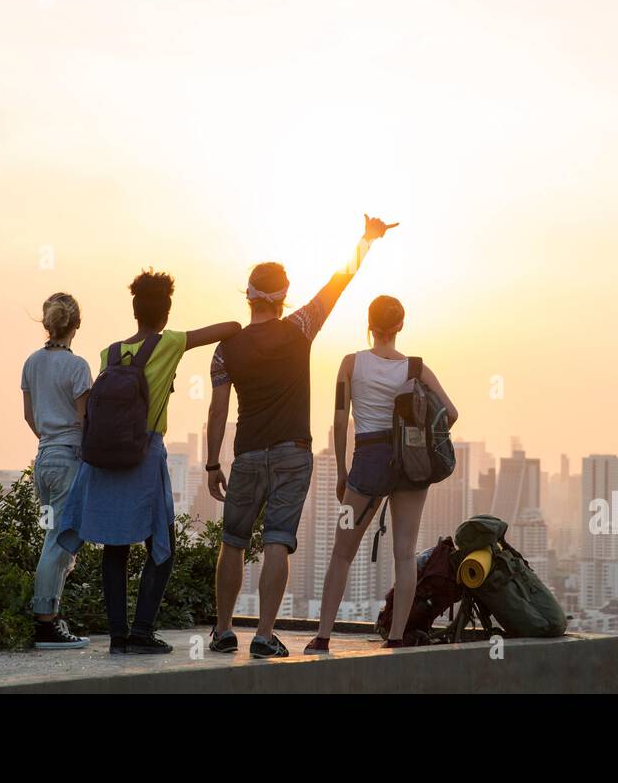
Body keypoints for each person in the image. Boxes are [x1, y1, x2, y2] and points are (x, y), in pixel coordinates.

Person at [207, 215, 397, 658]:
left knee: (232, 541)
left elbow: (217, 410)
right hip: (293, 452)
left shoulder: (226, 349)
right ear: (283, 297)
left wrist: (214, 463)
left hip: (247, 454)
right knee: (278, 541)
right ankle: (264, 636)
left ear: (248, 296)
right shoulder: (301, 326)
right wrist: (367, 239)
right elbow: (340, 281)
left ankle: (221, 630)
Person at [58, 271, 239, 654]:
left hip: (105, 460)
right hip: (144, 454)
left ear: (135, 311)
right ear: (166, 313)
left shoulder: (110, 352)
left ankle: (118, 637)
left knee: (115, 547)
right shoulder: (169, 342)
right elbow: (232, 326)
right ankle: (141, 632)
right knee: (163, 545)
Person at [304, 295, 458, 653]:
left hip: (367, 464)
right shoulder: (416, 368)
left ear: (369, 324)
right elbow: (450, 413)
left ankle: (323, 637)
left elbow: (340, 420)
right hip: (411, 465)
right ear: (401, 326)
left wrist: (342, 473)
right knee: (404, 555)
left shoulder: (349, 364)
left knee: (342, 553)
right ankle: (396, 638)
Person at [22, 292, 93, 649]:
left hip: (44, 458)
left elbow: (29, 416)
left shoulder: (31, 363)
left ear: (47, 323)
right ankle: (45, 624)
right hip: (69, 460)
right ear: (75, 326)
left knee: (54, 538)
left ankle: (50, 615)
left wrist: (50, 437)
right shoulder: (77, 366)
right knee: (58, 542)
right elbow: (85, 420)